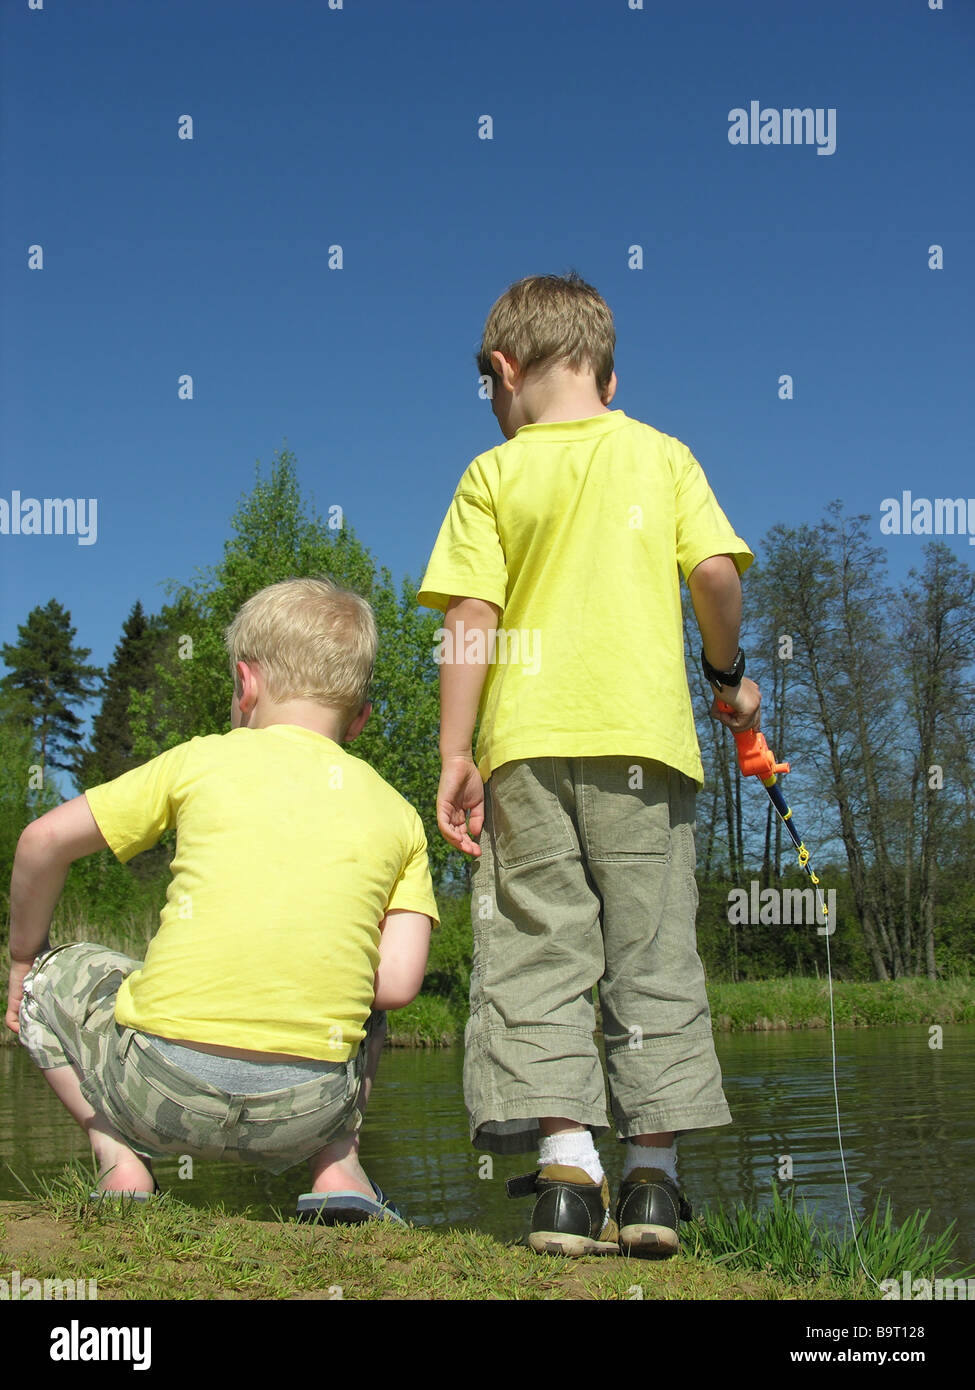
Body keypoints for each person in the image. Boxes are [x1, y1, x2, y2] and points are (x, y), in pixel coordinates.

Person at [418, 272, 761, 1258]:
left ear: (503, 370)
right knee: (652, 951)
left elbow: (472, 621)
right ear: (608, 379)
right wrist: (725, 672)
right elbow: (715, 575)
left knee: (538, 948)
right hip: (645, 750)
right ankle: (653, 1182)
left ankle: (567, 1179)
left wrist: (453, 753)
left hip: (523, 751)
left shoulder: (493, 474)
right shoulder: (663, 454)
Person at [5, 576, 438, 1223]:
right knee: (369, 1009)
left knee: (47, 977)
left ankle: (121, 1162)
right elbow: (399, 982)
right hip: (305, 1108)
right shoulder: (399, 814)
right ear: (362, 718)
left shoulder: (199, 761)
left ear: (245, 685)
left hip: (157, 1091)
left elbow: (42, 843)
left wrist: (20, 960)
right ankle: (338, 1171)